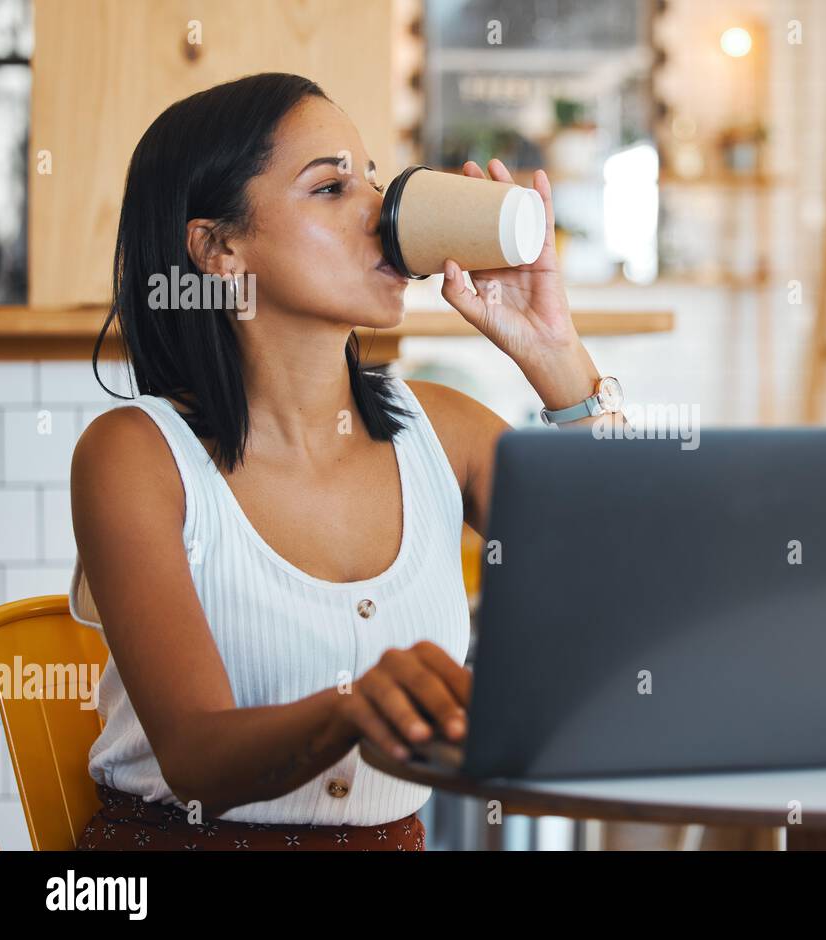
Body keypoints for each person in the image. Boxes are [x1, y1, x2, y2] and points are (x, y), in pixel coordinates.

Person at [69, 72, 621, 850]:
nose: (382, 212)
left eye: (372, 177)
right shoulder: (137, 456)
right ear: (219, 247)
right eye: (331, 187)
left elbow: (635, 576)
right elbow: (196, 754)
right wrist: (350, 709)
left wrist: (557, 353)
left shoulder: (444, 431)